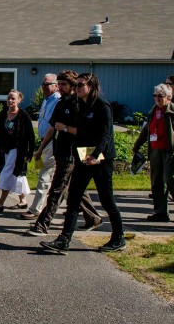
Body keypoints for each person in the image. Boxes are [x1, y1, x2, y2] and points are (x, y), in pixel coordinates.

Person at [40, 73, 126, 253]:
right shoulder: (80, 104)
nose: (77, 88)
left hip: (101, 158)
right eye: (77, 85)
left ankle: (118, 238)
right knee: (73, 198)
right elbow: (79, 131)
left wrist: (95, 154)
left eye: (81, 85)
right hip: (83, 155)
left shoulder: (102, 105)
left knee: (106, 199)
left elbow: (105, 134)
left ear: (92, 86)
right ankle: (64, 239)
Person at [27, 71, 103, 236]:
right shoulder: (61, 103)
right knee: (74, 188)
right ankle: (93, 218)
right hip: (60, 152)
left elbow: (86, 133)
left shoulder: (79, 105)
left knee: (57, 189)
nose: (60, 87)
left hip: (74, 154)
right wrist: (40, 148)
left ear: (73, 86)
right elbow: (53, 127)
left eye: (63, 84)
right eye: (59, 84)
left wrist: (67, 129)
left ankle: (42, 224)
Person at [132, 83, 174, 223]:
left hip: (172, 151)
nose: (157, 98)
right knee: (157, 182)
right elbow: (146, 130)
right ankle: (161, 212)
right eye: (155, 96)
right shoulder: (154, 110)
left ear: (169, 97)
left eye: (160, 96)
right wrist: (137, 145)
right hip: (156, 150)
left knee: (171, 179)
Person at [0, 90, 35, 211]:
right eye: (9, 98)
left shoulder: (23, 115)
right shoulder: (4, 114)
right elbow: (1, 134)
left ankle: (0, 204)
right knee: (17, 175)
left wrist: (30, 152)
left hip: (18, 150)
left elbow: (31, 134)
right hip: (6, 149)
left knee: (7, 173)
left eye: (13, 98)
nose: (10, 101)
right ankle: (22, 201)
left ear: (19, 100)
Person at [21, 74, 59, 220]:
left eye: (48, 84)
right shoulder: (46, 100)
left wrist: (42, 147)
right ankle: (87, 211)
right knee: (63, 181)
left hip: (52, 142)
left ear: (55, 85)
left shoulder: (57, 101)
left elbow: (53, 127)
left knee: (45, 177)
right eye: (43, 84)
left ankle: (35, 209)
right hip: (45, 141)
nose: (44, 86)